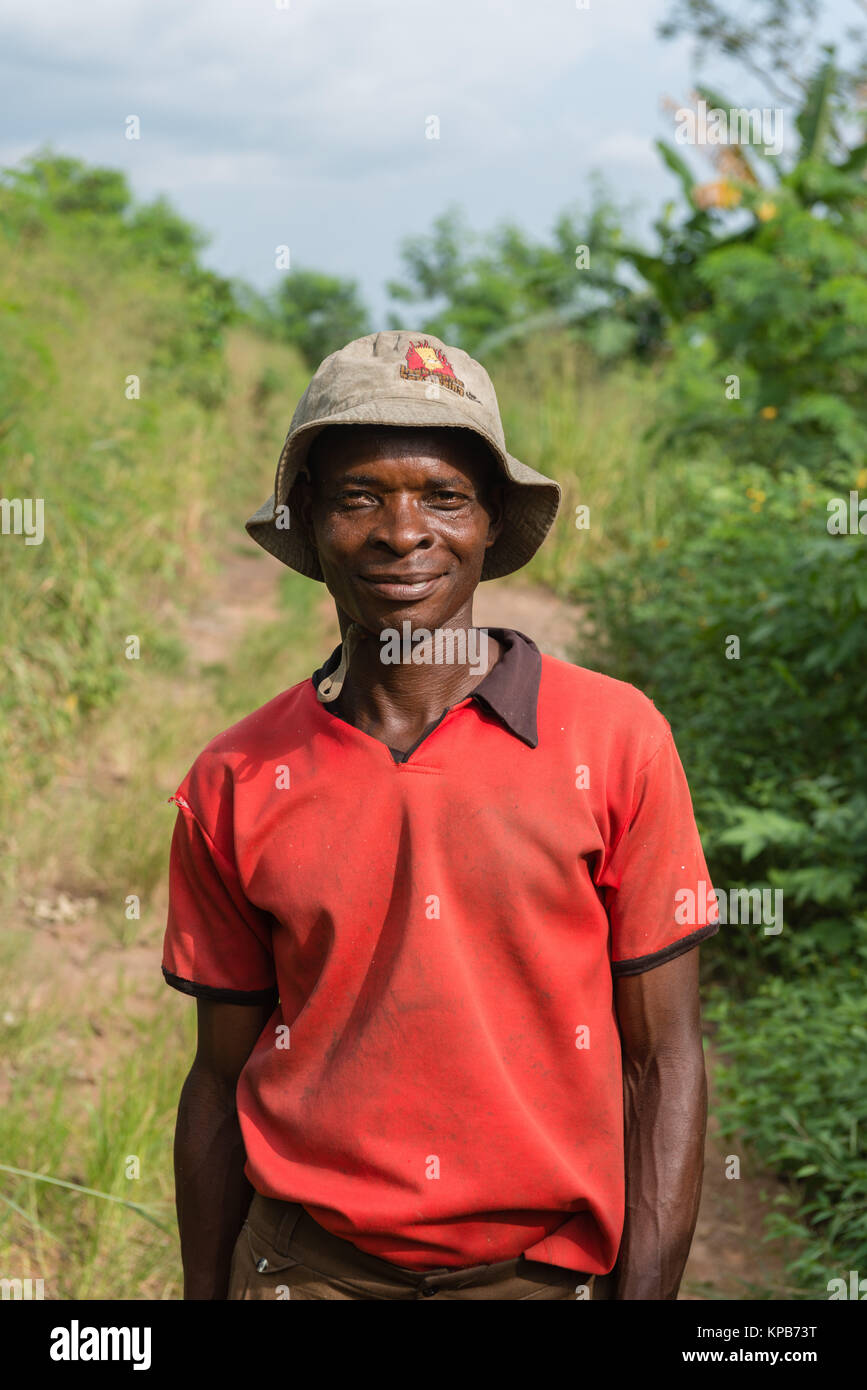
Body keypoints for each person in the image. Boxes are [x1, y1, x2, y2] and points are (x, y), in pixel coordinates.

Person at [162, 329, 719, 1301]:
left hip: (538, 1275)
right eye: (359, 495)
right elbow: (218, 1078)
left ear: (491, 519)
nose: (402, 530)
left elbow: (663, 1060)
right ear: (306, 517)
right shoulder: (239, 778)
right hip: (305, 1267)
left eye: (443, 495)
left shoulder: (615, 740)